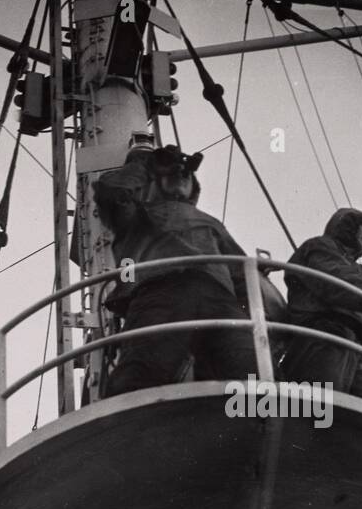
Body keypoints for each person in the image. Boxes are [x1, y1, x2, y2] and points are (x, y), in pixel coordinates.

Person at [96, 147, 256, 396]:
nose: (181, 174)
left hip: (220, 300)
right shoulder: (135, 215)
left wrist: (260, 320)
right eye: (172, 171)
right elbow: (113, 192)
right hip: (162, 293)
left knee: (252, 371)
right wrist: (147, 164)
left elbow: (244, 274)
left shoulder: (210, 222)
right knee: (139, 376)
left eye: (186, 173)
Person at [280, 207, 362, 412]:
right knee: (318, 412)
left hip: (360, 354)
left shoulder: (361, 273)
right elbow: (335, 278)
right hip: (324, 339)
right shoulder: (319, 247)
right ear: (347, 225)